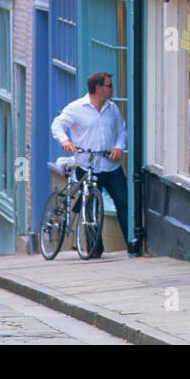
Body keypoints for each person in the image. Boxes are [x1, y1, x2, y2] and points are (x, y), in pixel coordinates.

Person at [51, 72, 129, 256]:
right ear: (98, 88)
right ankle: (94, 248)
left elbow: (122, 130)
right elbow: (57, 124)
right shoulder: (77, 108)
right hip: (86, 166)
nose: (112, 89)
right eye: (109, 86)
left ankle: (132, 246)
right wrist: (65, 141)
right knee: (91, 207)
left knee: (124, 203)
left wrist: (118, 147)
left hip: (111, 166)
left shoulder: (112, 109)